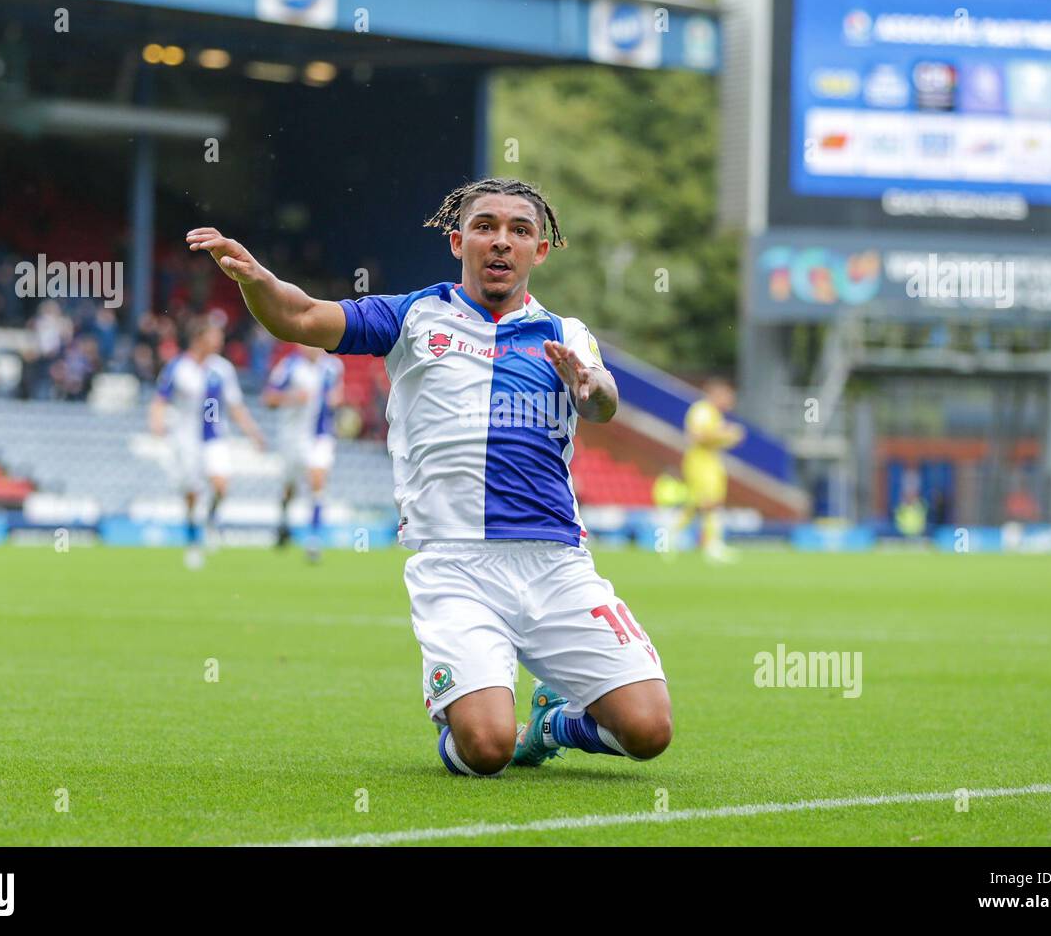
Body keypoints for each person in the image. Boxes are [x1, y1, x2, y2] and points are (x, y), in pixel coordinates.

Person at [186, 177, 672, 776]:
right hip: (455, 567)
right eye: (485, 227)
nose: (501, 242)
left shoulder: (565, 334)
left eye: (520, 230)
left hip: (556, 566)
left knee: (650, 731)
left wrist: (590, 386)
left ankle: (552, 725)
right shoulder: (414, 317)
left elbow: (603, 402)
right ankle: (481, 727)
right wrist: (257, 282)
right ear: (457, 240)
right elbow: (302, 316)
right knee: (488, 750)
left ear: (539, 250)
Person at [148, 316, 265, 569]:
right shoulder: (177, 367)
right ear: (200, 338)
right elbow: (160, 399)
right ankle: (192, 543)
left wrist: (253, 433)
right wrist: (156, 422)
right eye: (215, 336)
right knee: (191, 493)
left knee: (221, 484)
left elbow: (236, 406)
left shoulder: (222, 369)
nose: (220, 341)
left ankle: (211, 520)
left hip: (216, 437)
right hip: (186, 438)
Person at [263, 344, 344, 560]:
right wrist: (292, 397)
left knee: (317, 481)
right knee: (290, 487)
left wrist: (336, 401)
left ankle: (314, 540)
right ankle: (283, 521)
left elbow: (338, 394)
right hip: (292, 438)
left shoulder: (333, 367)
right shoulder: (289, 367)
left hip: (321, 436)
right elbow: (269, 399)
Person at [679, 378, 743, 562]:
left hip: (710, 461)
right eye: (728, 397)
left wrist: (727, 437)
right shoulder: (702, 410)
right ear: (717, 395)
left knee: (702, 503)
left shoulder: (713, 413)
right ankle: (710, 544)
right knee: (707, 503)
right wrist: (725, 434)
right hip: (700, 462)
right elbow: (697, 436)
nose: (730, 402)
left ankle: (672, 539)